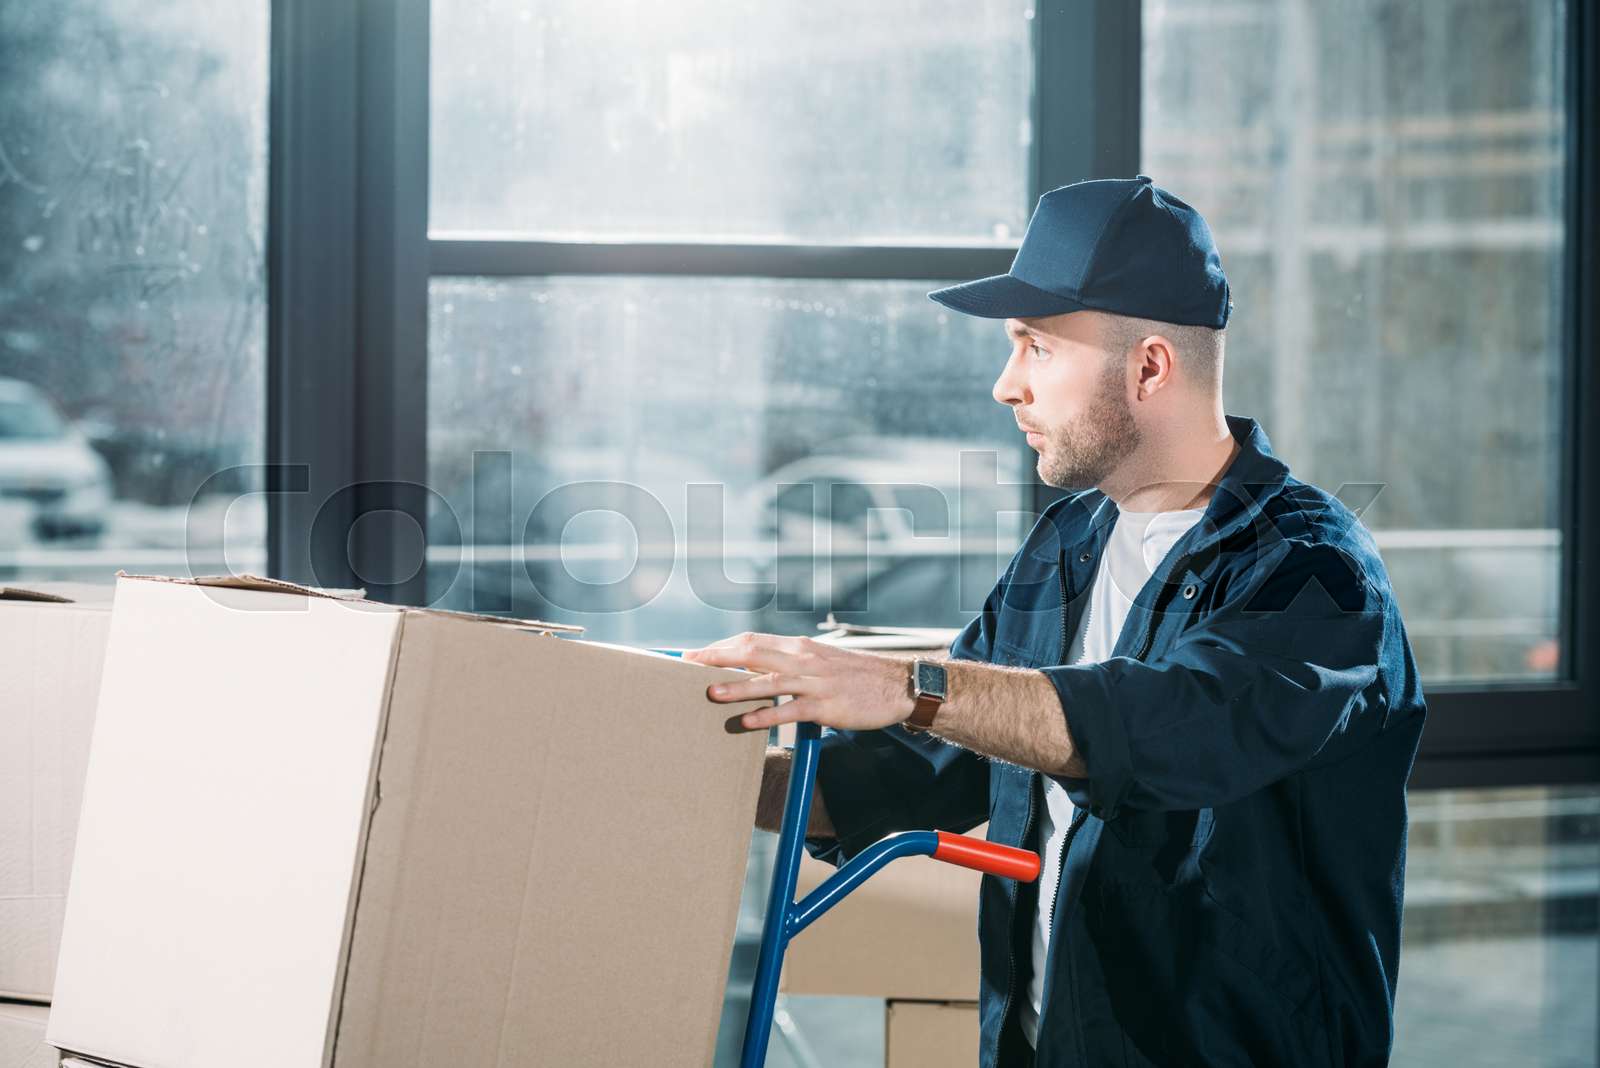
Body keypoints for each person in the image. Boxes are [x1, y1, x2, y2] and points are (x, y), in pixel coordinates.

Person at [684, 175, 1427, 1067]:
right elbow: (938, 761)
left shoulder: (1315, 571)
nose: (1006, 386)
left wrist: (902, 684)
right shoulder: (1069, 540)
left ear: (1150, 366)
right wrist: (700, 778)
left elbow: (1171, 727)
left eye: (1036, 348)